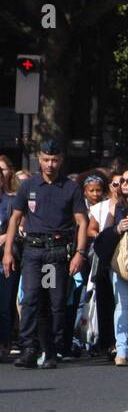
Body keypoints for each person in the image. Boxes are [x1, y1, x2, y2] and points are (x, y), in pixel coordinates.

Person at [2, 140, 90, 369]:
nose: (50, 164)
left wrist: (80, 253)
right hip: (33, 251)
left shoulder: (70, 188)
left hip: (55, 252)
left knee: (53, 301)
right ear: (39, 159)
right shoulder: (29, 185)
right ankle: (29, 348)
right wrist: (8, 252)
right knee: (30, 298)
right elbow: (14, 219)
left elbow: (82, 221)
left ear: (60, 160)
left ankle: (50, 349)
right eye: (46, 160)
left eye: (54, 160)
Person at [96, 168, 128, 365]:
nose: (124, 184)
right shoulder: (116, 206)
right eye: (121, 182)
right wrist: (119, 227)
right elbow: (104, 234)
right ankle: (122, 349)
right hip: (121, 263)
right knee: (123, 305)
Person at [0, 155, 18, 359]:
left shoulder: (10, 202)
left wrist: (5, 237)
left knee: (4, 306)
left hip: (4, 258)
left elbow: (19, 227)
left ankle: (4, 343)